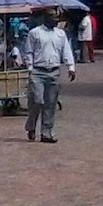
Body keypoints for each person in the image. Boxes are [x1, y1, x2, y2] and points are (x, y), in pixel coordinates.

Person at [23, 11, 76, 143]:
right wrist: (30, 67)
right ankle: (31, 126)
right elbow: (28, 51)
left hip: (54, 71)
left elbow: (66, 51)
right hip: (37, 71)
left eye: (57, 17)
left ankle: (46, 132)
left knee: (50, 103)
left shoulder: (60, 34)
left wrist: (71, 67)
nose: (56, 19)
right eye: (53, 17)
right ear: (45, 18)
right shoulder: (34, 33)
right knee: (37, 101)